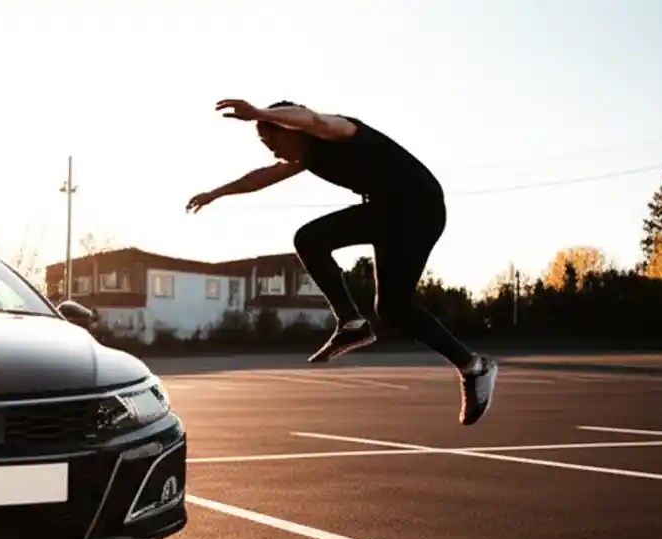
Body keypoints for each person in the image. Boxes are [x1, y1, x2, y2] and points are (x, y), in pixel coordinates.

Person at [185, 99, 497, 426]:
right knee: (392, 308)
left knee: (309, 238)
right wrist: (216, 193)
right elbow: (262, 178)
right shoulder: (308, 156)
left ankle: (351, 324)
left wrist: (260, 114)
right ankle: (474, 367)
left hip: (416, 206)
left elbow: (312, 118)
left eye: (271, 142)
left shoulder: (335, 129)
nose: (273, 152)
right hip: (396, 214)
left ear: (290, 129)